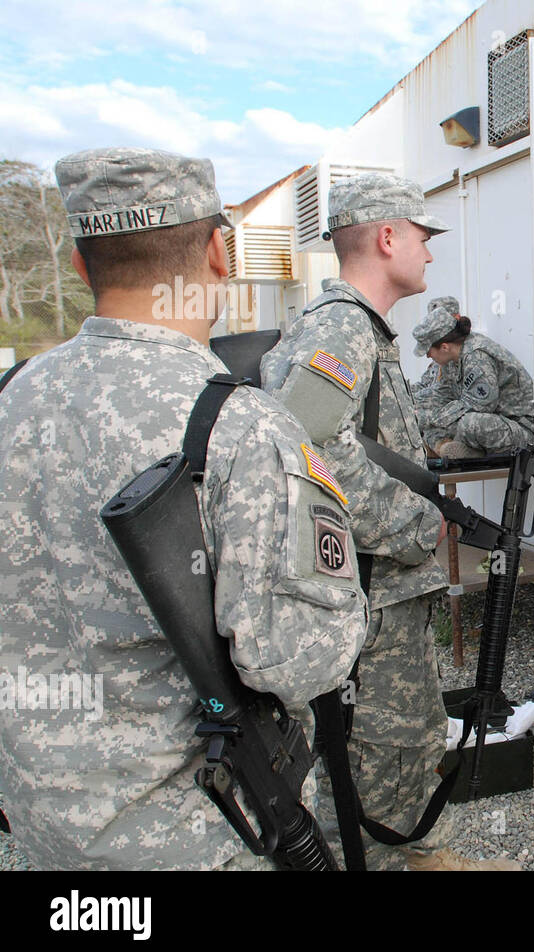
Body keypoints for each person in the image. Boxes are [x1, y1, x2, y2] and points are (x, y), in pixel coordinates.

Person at [0, 147, 368, 870]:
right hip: (203, 836)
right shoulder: (243, 427)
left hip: (45, 827)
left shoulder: (11, 401)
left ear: (80, 267)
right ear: (217, 252)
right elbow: (297, 662)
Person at [259, 173, 517, 871]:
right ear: (386, 237)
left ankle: (421, 856)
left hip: (385, 591)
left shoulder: (363, 331)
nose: (430, 254)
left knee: (408, 737)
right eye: (422, 237)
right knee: (373, 749)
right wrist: (414, 523)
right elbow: (305, 446)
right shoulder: (341, 325)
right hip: (367, 592)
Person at [411, 298, 534, 457]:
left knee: (469, 424)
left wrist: (432, 417)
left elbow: (479, 405)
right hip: (494, 420)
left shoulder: (476, 357)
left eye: (429, 350)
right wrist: (414, 410)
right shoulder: (450, 358)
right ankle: (448, 449)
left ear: (444, 347)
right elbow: (441, 394)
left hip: (519, 429)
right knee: (431, 424)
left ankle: (454, 449)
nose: (427, 355)